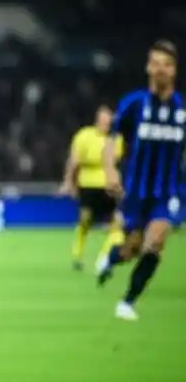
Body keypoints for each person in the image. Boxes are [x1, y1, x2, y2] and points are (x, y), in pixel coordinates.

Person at [97, 40, 183, 321]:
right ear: (148, 67)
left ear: (174, 70)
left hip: (168, 191)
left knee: (155, 242)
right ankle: (111, 258)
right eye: (156, 63)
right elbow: (111, 140)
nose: (161, 69)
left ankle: (128, 302)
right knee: (131, 248)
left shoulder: (182, 108)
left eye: (167, 64)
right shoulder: (134, 103)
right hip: (135, 189)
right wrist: (110, 170)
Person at [59, 106, 124, 270]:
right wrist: (69, 182)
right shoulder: (84, 135)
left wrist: (119, 185)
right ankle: (77, 255)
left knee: (116, 224)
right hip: (88, 186)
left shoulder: (117, 138)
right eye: (104, 120)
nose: (106, 124)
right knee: (85, 221)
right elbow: (74, 161)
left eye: (109, 121)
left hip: (109, 186)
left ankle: (104, 257)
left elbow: (117, 163)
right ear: (97, 120)